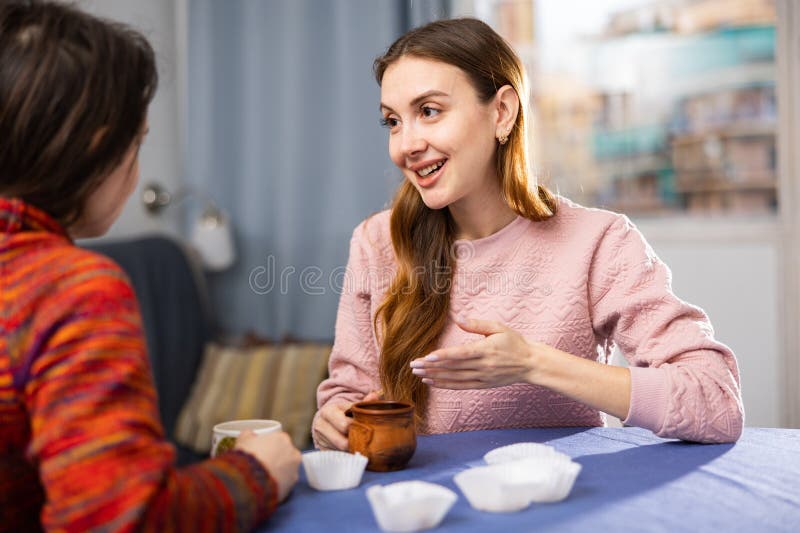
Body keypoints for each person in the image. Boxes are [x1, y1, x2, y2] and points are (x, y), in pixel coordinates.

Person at [312, 17, 744, 451]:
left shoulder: (598, 242)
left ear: (502, 112)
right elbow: (348, 395)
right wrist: (333, 422)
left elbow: (715, 402)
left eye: (429, 111)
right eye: (393, 121)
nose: (405, 145)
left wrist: (531, 363)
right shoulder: (376, 242)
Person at [0, 2, 300, 532]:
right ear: (98, 145)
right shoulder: (70, 288)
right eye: (136, 145)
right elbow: (123, 518)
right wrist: (258, 471)